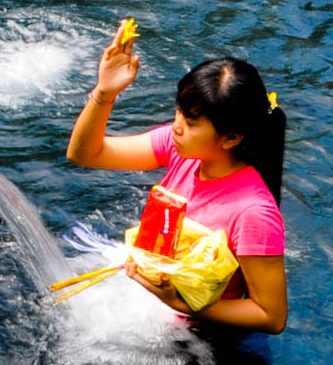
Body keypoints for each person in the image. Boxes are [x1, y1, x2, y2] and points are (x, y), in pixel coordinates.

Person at [67, 22, 287, 334]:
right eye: (179, 111)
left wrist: (182, 304)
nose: (177, 126)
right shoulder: (181, 150)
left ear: (231, 138)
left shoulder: (253, 213)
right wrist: (105, 93)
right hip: (153, 311)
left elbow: (271, 317)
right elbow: (85, 154)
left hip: (201, 343)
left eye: (191, 122)